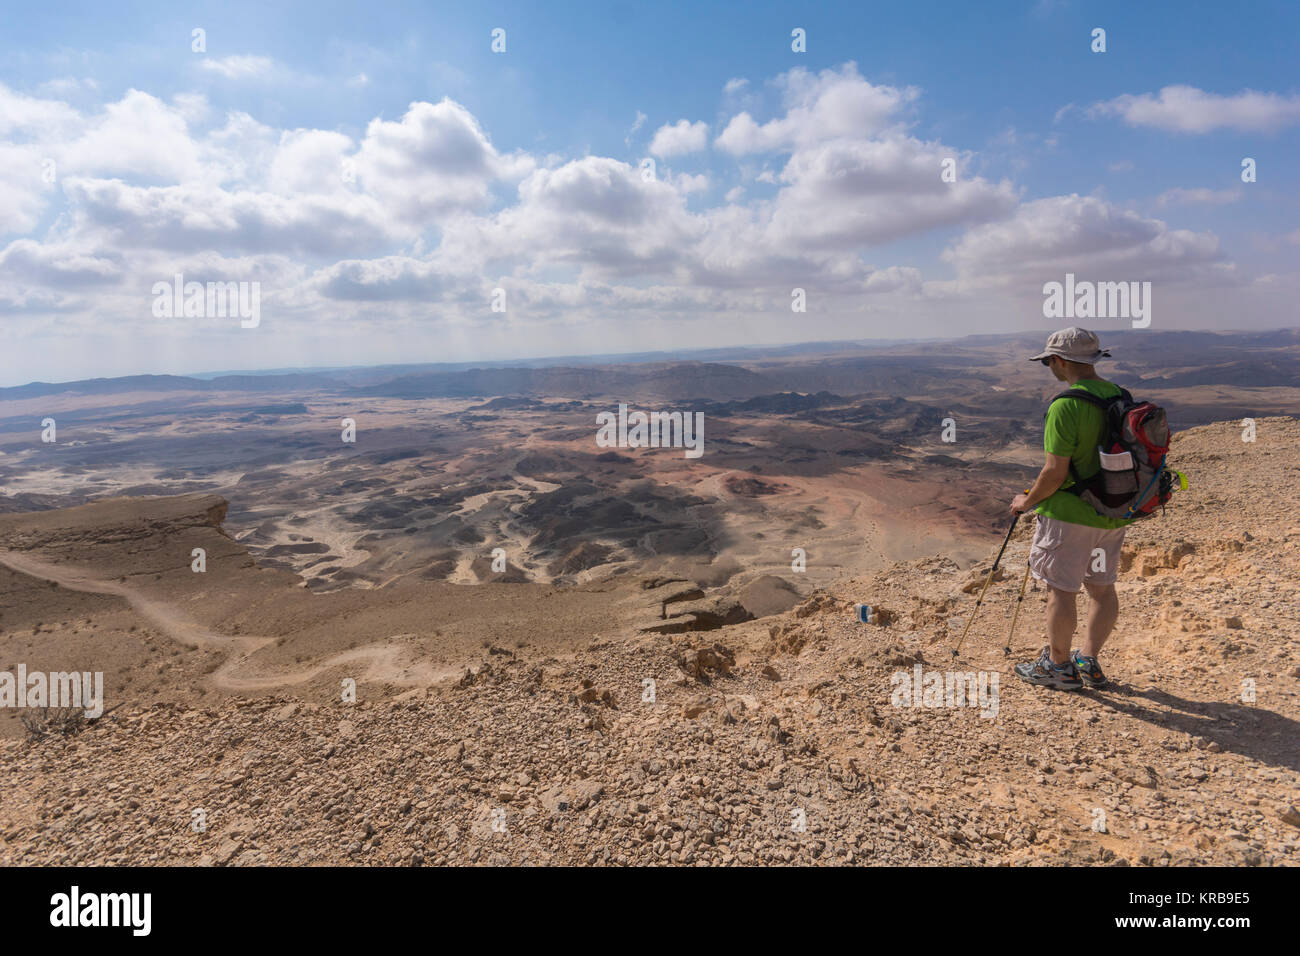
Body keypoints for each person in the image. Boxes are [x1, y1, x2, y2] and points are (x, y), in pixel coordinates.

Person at [1010, 327, 1132, 690]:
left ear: (1060, 361)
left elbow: (1054, 472)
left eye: (1049, 361)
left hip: (1068, 517)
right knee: (1102, 588)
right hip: (1111, 513)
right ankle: (1089, 661)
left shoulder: (1066, 405)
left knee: (1062, 590)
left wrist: (1026, 502)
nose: (1050, 366)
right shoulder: (1119, 395)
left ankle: (1059, 667)